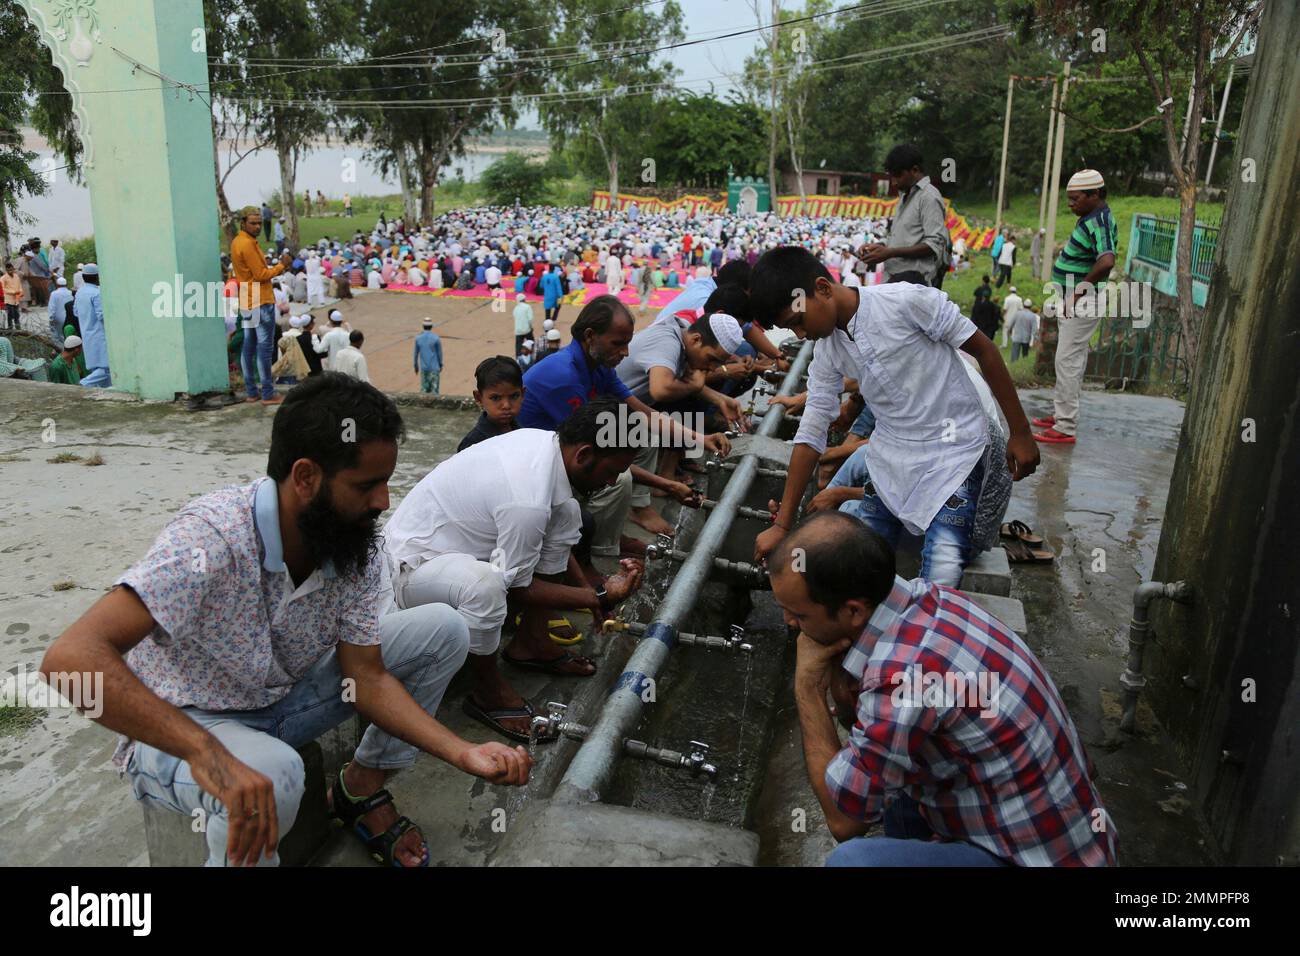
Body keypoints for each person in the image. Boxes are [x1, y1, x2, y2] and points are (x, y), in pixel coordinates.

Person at [39, 373, 532, 867]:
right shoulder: (211, 537)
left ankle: (360, 787)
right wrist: (206, 752)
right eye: (367, 485)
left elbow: (367, 677)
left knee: (443, 631)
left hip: (281, 703)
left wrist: (461, 752)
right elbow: (69, 660)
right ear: (305, 477)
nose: (383, 502)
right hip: (189, 725)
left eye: (386, 483)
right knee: (274, 777)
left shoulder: (354, 545)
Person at [769, 511, 1117, 867]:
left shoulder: (900, 677)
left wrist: (808, 687)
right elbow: (869, 752)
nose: (790, 623)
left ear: (854, 612)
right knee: (892, 782)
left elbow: (844, 819)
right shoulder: (928, 600)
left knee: (853, 861)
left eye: (799, 615)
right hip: (1065, 834)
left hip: (1039, 858)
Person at [749, 246, 1039, 587]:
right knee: (864, 570)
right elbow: (812, 433)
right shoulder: (828, 352)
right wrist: (782, 524)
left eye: (798, 322)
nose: (800, 335)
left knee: (939, 578)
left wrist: (1020, 432)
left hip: (956, 455)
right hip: (892, 465)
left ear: (823, 288)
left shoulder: (906, 302)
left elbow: (984, 349)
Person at [381, 398, 647, 743]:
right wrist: (598, 594)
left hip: (456, 552)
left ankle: (532, 642)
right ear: (583, 455)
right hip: (411, 568)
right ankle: (486, 693)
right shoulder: (527, 498)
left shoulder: (547, 449)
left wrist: (596, 598)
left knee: (567, 514)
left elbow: (557, 545)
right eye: (611, 472)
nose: (612, 482)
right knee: (486, 585)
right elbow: (518, 587)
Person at [518, 296, 729, 555]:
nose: (626, 352)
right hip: (532, 464)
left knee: (642, 430)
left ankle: (620, 523)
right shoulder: (564, 376)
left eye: (627, 343)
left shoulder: (598, 367)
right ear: (590, 336)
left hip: (565, 446)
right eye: (618, 344)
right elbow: (590, 452)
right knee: (620, 479)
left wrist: (700, 439)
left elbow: (646, 415)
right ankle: (596, 546)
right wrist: (667, 485)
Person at [614, 311, 746, 533]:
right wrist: (696, 388)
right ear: (696, 340)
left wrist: (721, 399)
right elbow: (661, 388)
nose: (712, 368)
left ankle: (641, 501)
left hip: (629, 407)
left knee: (650, 431)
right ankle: (638, 508)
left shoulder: (684, 331)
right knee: (642, 435)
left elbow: (684, 381)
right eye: (712, 359)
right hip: (605, 411)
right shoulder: (667, 343)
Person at [1034, 169, 1119, 446]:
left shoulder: (1100, 222)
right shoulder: (1090, 217)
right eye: (1068, 199)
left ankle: (1065, 426)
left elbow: (1106, 261)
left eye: (1075, 199)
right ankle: (1062, 414)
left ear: (1095, 195)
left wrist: (1077, 293)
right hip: (1073, 297)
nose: (1070, 204)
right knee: (1071, 358)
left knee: (1066, 360)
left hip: (1082, 299)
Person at [858, 144, 949, 288]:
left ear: (915, 170)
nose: (894, 182)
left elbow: (933, 245)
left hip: (913, 285)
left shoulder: (929, 197)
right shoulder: (904, 197)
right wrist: (879, 247)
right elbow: (902, 239)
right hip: (893, 279)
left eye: (898, 175)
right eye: (892, 176)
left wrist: (890, 252)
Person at [231, 206, 289, 405]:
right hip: (260, 299)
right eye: (253, 223)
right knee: (264, 349)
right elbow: (261, 275)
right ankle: (267, 393)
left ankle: (251, 391)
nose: (257, 226)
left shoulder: (238, 241)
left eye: (258, 223)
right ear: (243, 223)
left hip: (247, 296)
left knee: (249, 347)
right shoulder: (247, 244)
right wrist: (282, 266)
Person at [458, 356, 523, 451]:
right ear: (479, 398)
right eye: (495, 398)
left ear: (523, 394)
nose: (506, 405)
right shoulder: (472, 445)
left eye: (514, 396)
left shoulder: (523, 433)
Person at [75, 264, 110, 388]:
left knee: (99, 371)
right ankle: (83, 384)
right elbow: (102, 316)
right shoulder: (97, 293)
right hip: (99, 335)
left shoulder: (79, 292)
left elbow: (76, 312)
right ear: (97, 277)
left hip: (87, 335)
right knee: (106, 369)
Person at [413, 318, 442, 394]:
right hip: (434, 369)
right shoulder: (436, 338)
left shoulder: (418, 338)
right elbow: (439, 354)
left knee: (424, 392)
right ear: (431, 326)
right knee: (435, 392)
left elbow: (415, 354)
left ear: (423, 326)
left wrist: (416, 366)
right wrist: (441, 364)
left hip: (424, 369)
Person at [1008, 298, 1037, 363]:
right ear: (1031, 306)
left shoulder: (1017, 313)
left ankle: (1014, 364)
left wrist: (1009, 331)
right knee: (1025, 354)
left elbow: (1011, 323)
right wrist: (1034, 339)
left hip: (1017, 336)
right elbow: (1034, 329)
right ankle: (1024, 364)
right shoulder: (1032, 316)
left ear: (1023, 305)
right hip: (1026, 338)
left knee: (1014, 355)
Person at [970, 274, 998, 340]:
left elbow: (975, 293)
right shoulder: (989, 289)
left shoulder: (980, 288)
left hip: (978, 310)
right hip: (987, 316)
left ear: (983, 280)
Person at [2, 261, 22, 329]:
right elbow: (2, 289)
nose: (10, 271)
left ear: (13, 268)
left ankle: (18, 327)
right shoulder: (3, 278)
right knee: (10, 314)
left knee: (17, 314)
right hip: (8, 299)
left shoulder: (16, 276)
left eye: (11, 269)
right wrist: (12, 292)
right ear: (6, 270)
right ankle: (10, 327)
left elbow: (19, 285)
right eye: (9, 270)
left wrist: (20, 291)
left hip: (16, 298)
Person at [512, 292, 533, 357]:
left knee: (518, 346)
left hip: (518, 330)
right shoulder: (527, 307)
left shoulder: (515, 308)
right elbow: (530, 319)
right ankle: (532, 355)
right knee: (531, 342)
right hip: (527, 329)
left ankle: (518, 358)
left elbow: (514, 317)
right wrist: (531, 327)